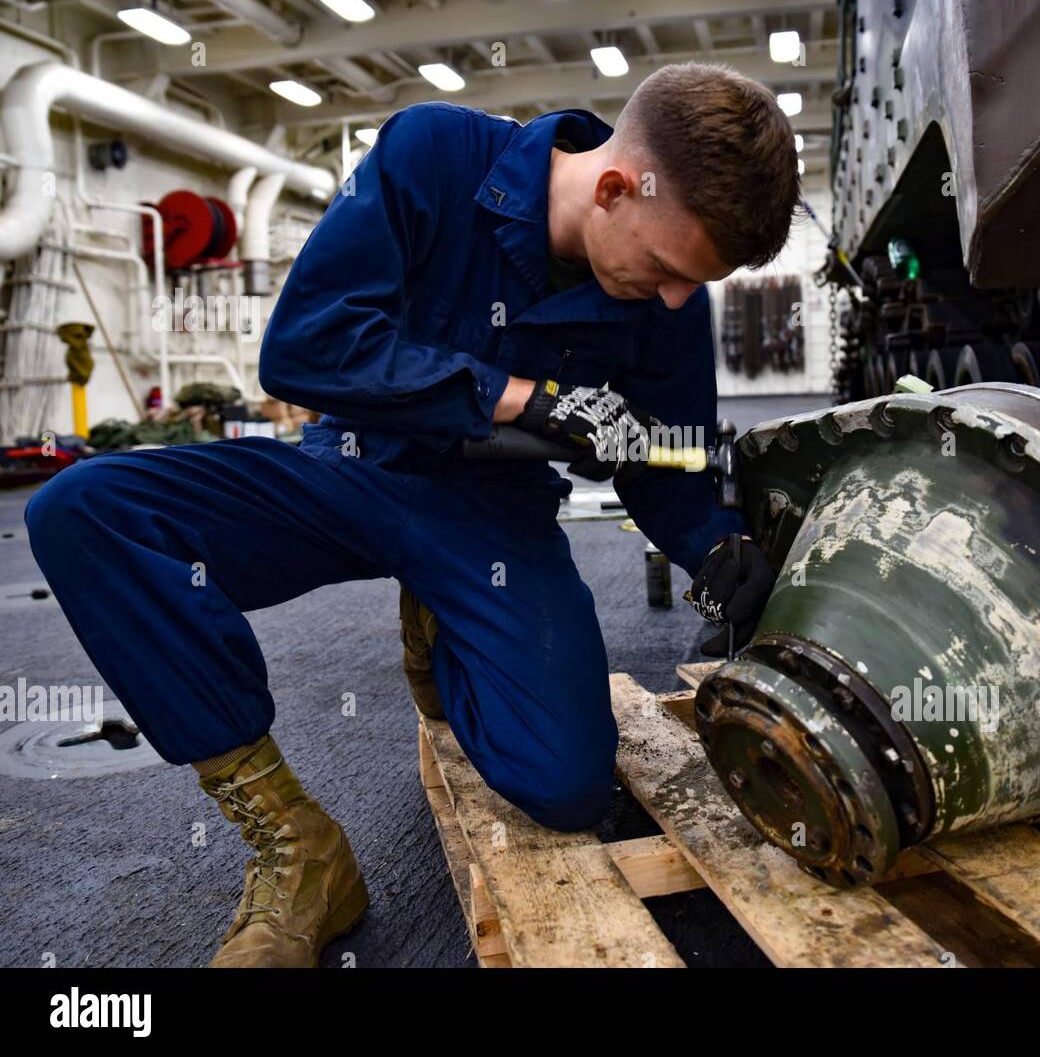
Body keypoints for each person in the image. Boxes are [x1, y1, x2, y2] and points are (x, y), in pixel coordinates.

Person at [25, 62, 798, 967]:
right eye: (667, 270)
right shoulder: (433, 153)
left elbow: (662, 461)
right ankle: (299, 847)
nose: (674, 300)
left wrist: (713, 547)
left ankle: (445, 623)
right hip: (350, 475)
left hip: (493, 526)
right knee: (85, 511)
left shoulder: (666, 296)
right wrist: (515, 397)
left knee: (567, 784)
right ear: (618, 186)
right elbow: (303, 344)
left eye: (690, 284)